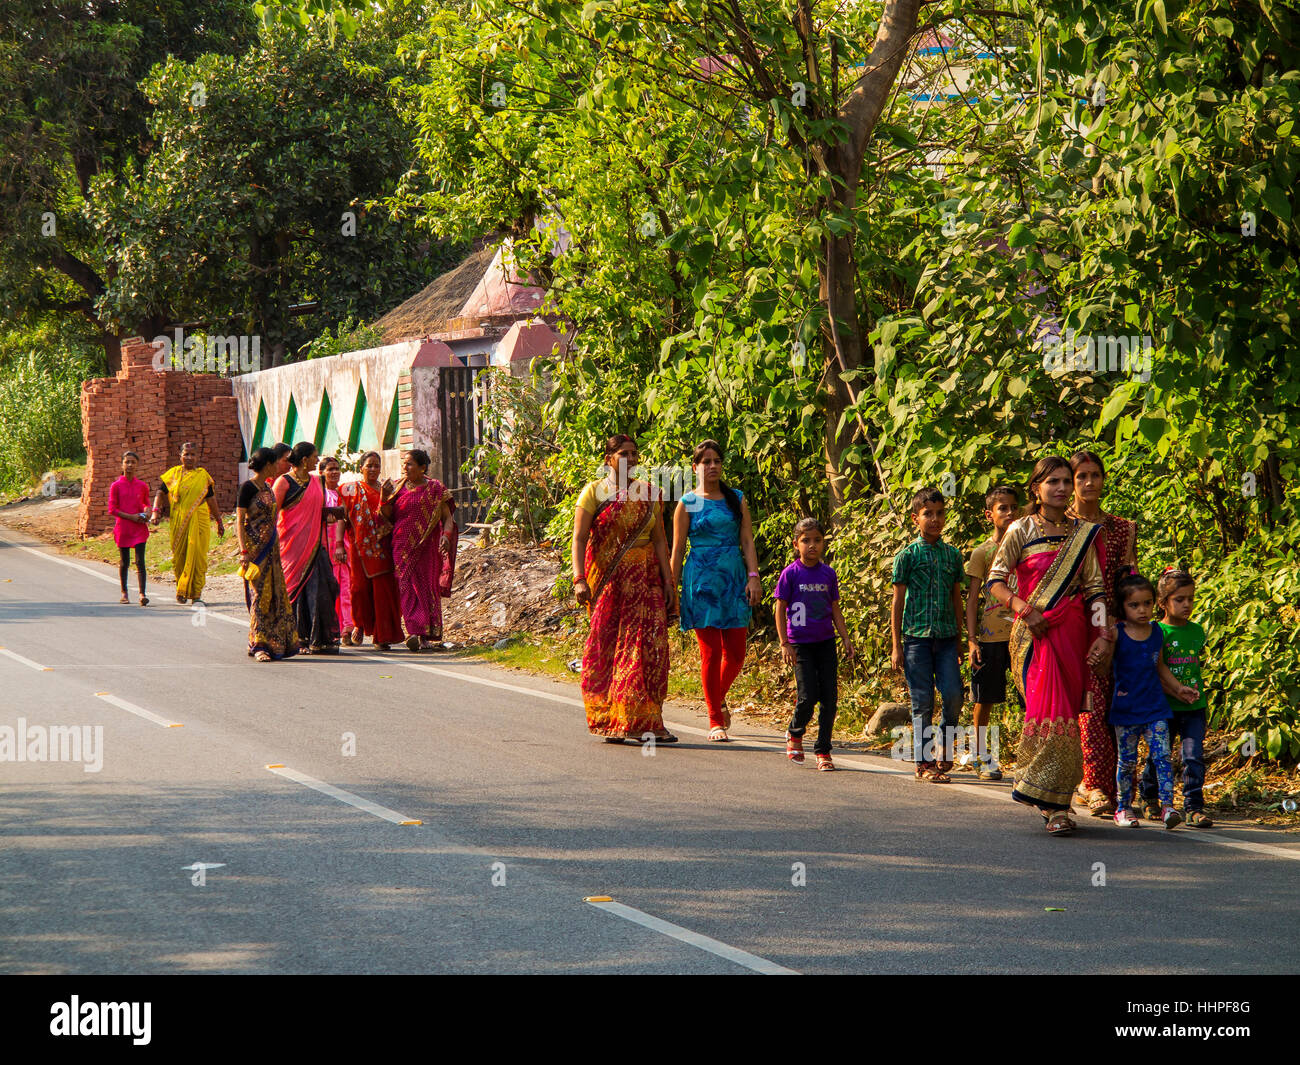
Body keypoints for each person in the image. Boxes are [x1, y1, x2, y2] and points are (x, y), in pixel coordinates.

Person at [987, 455, 1112, 835]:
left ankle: (1059, 799)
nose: (1060, 488)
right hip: (1034, 635)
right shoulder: (1020, 530)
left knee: (1069, 718)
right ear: (1036, 488)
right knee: (1047, 712)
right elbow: (996, 580)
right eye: (1052, 482)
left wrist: (1103, 634)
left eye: (1064, 481)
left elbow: (1095, 590)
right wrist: (1025, 610)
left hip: (1072, 634)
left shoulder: (1084, 533)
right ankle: (1051, 805)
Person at [572, 434, 677, 744]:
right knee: (608, 649)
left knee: (649, 649)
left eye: (634, 454)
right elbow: (579, 539)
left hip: (647, 581)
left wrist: (668, 581)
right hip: (609, 584)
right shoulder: (594, 492)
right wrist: (579, 580)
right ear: (609, 459)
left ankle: (648, 721)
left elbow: (660, 539)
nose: (630, 459)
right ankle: (611, 719)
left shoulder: (650, 494)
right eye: (623, 454)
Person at [670, 439, 762, 741]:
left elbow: (747, 540)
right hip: (701, 583)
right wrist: (673, 588)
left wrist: (753, 577)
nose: (712, 466)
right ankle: (714, 719)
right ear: (695, 467)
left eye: (717, 461)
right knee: (711, 652)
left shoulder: (736, 498)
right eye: (706, 461)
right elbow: (678, 548)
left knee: (736, 653)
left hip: (734, 579)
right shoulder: (686, 503)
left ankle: (716, 698)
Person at [1067, 449, 1137, 817]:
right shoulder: (1060, 524)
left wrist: (1120, 628)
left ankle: (1116, 786)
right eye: (1081, 476)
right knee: (1089, 704)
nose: (1089, 482)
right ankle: (1092, 783)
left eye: (1095, 474)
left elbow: (1128, 582)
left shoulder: (1122, 528)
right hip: (1072, 625)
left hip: (1113, 626)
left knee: (1117, 704)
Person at [1109, 574, 1198, 828]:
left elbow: (1160, 668)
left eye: (1147, 603)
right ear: (1122, 607)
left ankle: (1168, 806)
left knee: (1162, 757)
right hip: (1126, 709)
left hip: (1155, 707)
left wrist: (1179, 688)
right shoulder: (1116, 633)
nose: (1142, 610)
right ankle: (1123, 808)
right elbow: (1102, 667)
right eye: (1134, 605)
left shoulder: (1157, 632)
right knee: (1126, 762)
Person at [891, 487, 966, 783]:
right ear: (915, 518)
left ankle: (945, 746)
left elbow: (956, 599)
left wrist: (961, 640)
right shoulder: (907, 556)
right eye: (928, 514)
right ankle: (924, 763)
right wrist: (896, 646)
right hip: (915, 640)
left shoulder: (952, 555)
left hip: (947, 640)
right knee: (921, 702)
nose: (935, 519)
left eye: (940, 513)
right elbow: (898, 602)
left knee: (953, 696)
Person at [776, 517, 854, 771]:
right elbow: (780, 609)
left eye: (817, 540)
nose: (812, 545)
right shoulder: (790, 574)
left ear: (823, 543)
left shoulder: (828, 574)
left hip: (826, 642)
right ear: (796, 544)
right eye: (805, 540)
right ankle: (795, 732)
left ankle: (823, 751)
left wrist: (844, 637)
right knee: (808, 695)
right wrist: (784, 643)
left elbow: (834, 608)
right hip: (800, 644)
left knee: (830, 698)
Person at [1140, 568, 1211, 826]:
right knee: (1159, 754)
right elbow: (1156, 671)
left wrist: (1192, 694)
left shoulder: (1196, 631)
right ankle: (1149, 798)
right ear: (1162, 603)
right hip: (1164, 706)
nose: (1187, 605)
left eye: (1190, 599)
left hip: (1194, 706)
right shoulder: (1156, 631)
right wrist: (1176, 690)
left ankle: (1193, 806)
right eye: (1179, 600)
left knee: (1193, 755)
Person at [962, 485, 1021, 780]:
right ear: (990, 514)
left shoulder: (1025, 549)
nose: (1009, 513)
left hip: (1022, 636)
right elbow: (973, 599)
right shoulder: (982, 552)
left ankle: (1030, 759)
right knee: (984, 698)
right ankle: (980, 754)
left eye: (1014, 508)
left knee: (1030, 699)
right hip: (989, 637)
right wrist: (972, 640)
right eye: (1003, 508)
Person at [381, 449, 457, 652]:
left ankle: (424, 634)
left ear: (423, 468)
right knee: (406, 587)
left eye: (410, 464)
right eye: (404, 464)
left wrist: (445, 536)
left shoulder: (435, 489)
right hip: (401, 546)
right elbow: (387, 516)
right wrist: (384, 497)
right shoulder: (397, 487)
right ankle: (414, 631)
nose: (405, 467)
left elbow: (447, 518)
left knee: (426, 588)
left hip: (427, 547)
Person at [273, 441, 342, 654]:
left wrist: (333, 515)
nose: (317, 460)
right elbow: (272, 514)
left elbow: (319, 511)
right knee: (298, 592)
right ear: (304, 460)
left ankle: (321, 640)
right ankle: (298, 639)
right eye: (314, 457)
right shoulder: (283, 483)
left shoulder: (317, 482)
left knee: (324, 589)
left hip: (316, 544)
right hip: (291, 547)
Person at [335, 451, 404, 651]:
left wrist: (385, 499)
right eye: (369, 465)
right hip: (358, 547)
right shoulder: (349, 490)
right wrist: (339, 543)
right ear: (361, 468)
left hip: (383, 549)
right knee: (358, 590)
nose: (373, 469)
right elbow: (342, 517)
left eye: (376, 465)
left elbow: (391, 518)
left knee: (383, 592)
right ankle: (359, 624)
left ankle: (382, 636)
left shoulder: (388, 490)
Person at [237, 447, 299, 662]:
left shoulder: (268, 487)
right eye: (275, 463)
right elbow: (240, 522)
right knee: (258, 596)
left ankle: (275, 641)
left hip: (272, 550)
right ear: (267, 465)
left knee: (274, 596)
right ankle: (258, 644)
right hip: (255, 552)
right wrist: (244, 551)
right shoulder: (248, 488)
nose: (277, 467)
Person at [151, 441, 224, 603]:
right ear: (180, 456)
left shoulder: (203, 476)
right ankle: (182, 588)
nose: (189, 457)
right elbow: (160, 492)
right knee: (179, 558)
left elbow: (211, 500)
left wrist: (219, 521)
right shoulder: (173, 474)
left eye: (193, 454)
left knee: (198, 556)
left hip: (200, 520)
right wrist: (155, 511)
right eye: (186, 454)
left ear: (197, 457)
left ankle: (196, 594)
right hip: (178, 522)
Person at [108, 450, 150, 606]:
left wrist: (147, 511)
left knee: (140, 561)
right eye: (127, 462)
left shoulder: (142, 486)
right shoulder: (116, 486)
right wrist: (130, 517)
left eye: (133, 462)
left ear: (137, 465)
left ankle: (142, 594)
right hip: (124, 528)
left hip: (139, 527)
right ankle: (124, 593)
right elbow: (112, 509)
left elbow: (146, 503)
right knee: (124, 561)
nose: (130, 465)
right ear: (122, 464)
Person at [320, 456, 354, 646]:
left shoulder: (344, 493)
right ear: (322, 472)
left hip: (343, 547)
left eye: (337, 468)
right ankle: (330, 626)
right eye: (330, 469)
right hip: (326, 547)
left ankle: (346, 627)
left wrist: (341, 544)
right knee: (329, 587)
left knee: (345, 587)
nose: (334, 472)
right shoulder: (319, 494)